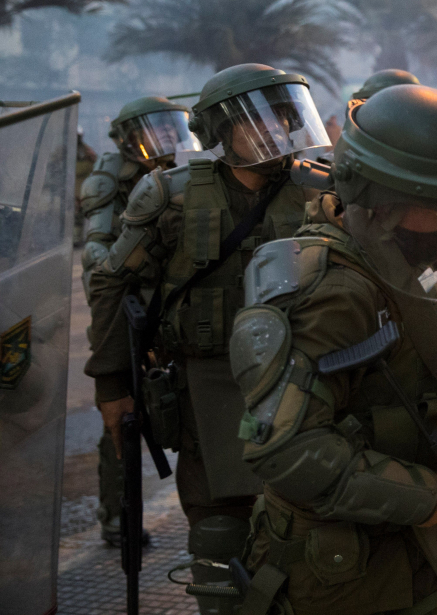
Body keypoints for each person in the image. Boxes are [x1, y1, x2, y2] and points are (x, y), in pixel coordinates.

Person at [229, 83, 437, 615]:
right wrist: (429, 495)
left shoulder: (401, 254)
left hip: (416, 555)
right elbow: (287, 451)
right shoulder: (336, 292)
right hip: (355, 578)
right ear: (385, 206)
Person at [84, 63, 332, 614]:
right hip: (207, 384)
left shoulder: (320, 188)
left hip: (307, 375)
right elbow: (112, 281)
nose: (271, 131)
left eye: (280, 117)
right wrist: (112, 385)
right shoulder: (169, 195)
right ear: (220, 132)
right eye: (253, 121)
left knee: (314, 521)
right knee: (220, 528)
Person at [77, 96, 201, 545]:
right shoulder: (110, 176)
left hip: (176, 300)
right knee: (125, 414)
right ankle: (118, 515)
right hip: (129, 303)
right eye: (156, 129)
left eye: (172, 127)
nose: (167, 136)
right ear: (129, 140)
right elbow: (97, 251)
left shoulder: (189, 170)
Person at [73, 127, 98, 246]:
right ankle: (75, 238)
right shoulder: (64, 148)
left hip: (81, 188)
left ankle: (78, 238)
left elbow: (94, 162)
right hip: (72, 188)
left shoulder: (86, 150)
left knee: (80, 215)